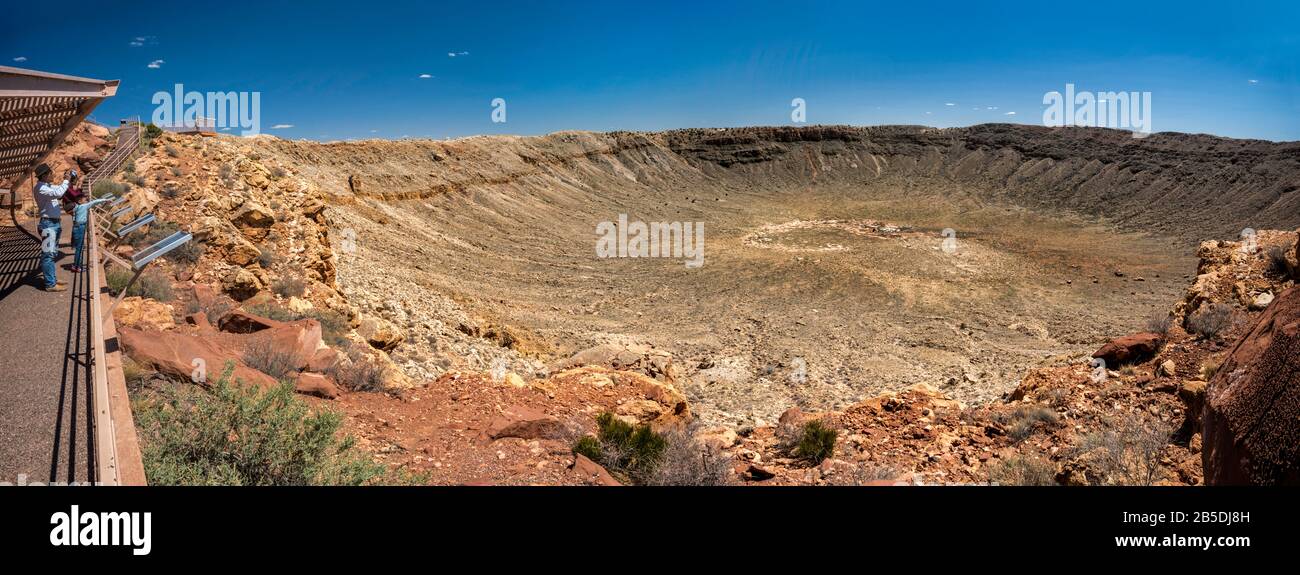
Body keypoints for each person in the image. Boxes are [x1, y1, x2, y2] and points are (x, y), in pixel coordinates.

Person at [31, 163, 74, 292]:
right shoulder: (41, 188)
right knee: (48, 255)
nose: (53, 175)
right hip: (48, 225)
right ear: (44, 175)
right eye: (51, 173)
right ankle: (50, 284)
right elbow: (59, 192)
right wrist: (66, 180)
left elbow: (62, 189)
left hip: (53, 224)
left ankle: (52, 279)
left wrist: (68, 180)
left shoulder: (47, 186)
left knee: (52, 253)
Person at [69, 192, 111, 273]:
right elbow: (95, 202)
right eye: (84, 199)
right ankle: (76, 267)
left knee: (79, 248)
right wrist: (106, 200)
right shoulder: (84, 206)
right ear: (80, 201)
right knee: (79, 248)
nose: (86, 200)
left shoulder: (76, 207)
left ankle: (76, 265)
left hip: (76, 227)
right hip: (80, 227)